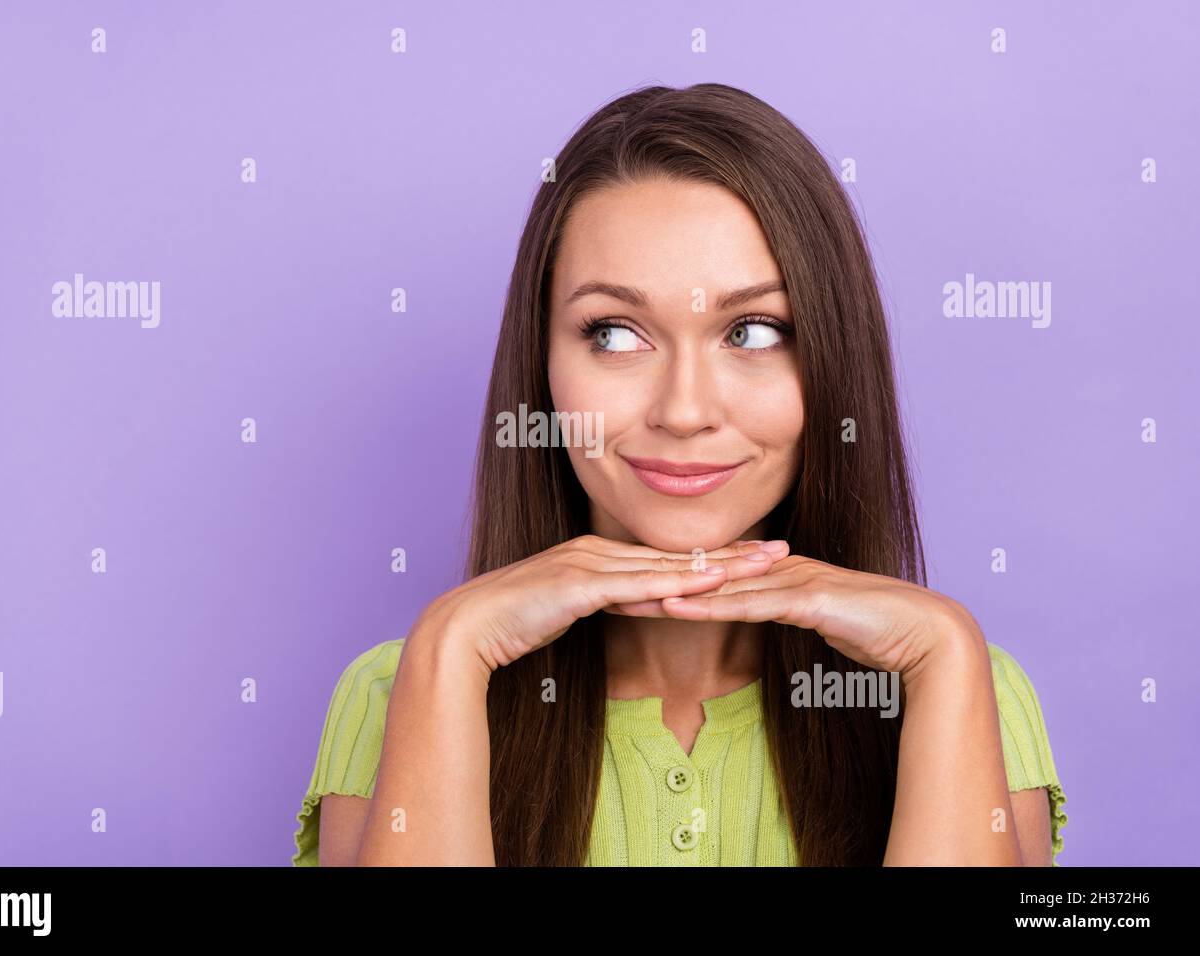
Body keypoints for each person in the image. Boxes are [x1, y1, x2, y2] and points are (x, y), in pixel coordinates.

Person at [293, 82, 1068, 867]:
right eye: (617, 335)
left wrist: (945, 654)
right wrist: (451, 647)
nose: (685, 410)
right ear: (543, 364)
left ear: (831, 357)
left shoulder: (964, 686)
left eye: (754, 331)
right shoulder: (404, 690)